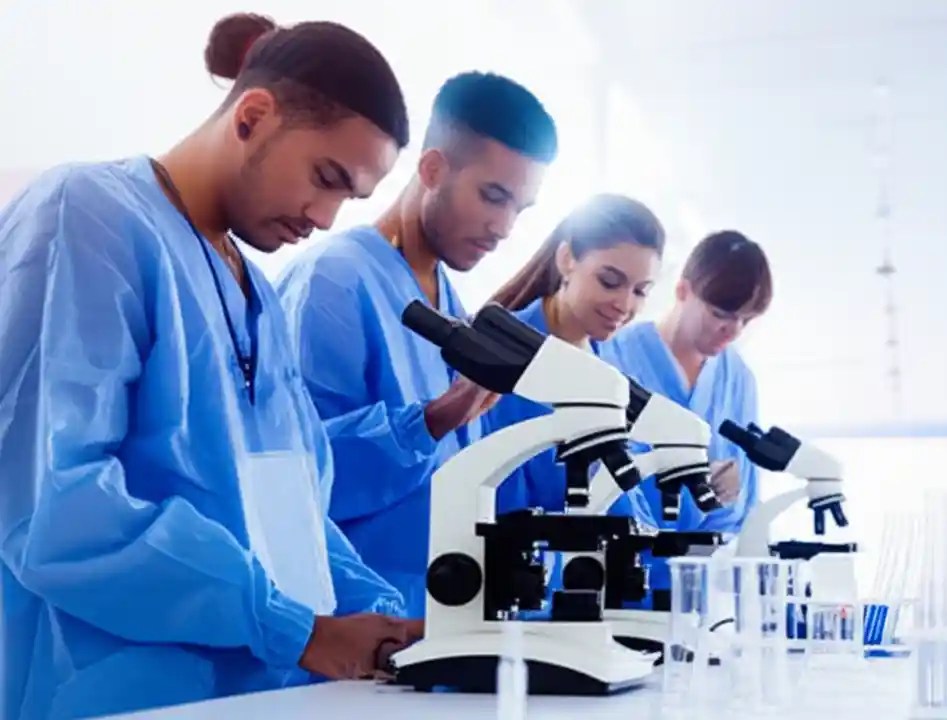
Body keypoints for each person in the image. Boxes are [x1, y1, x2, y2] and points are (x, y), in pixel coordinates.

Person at [0, 14, 420, 719]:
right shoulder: (91, 216)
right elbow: (55, 502)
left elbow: (295, 514)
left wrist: (385, 622)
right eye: (326, 178)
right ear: (253, 115)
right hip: (108, 693)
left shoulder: (253, 289)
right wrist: (294, 629)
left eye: (350, 198)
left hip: (254, 695)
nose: (326, 217)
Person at [275, 71, 558, 616]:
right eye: (492, 197)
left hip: (435, 619)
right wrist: (431, 419)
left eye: (519, 210)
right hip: (352, 626)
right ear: (432, 169)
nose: (503, 228)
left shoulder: (452, 304)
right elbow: (297, 476)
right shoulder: (335, 282)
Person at [485, 193, 666, 515]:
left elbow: (625, 490)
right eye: (609, 282)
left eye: (640, 291)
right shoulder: (501, 352)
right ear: (567, 259)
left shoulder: (614, 367)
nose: (624, 306)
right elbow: (499, 498)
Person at [602, 230, 773, 536]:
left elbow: (745, 508)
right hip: (622, 563)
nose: (732, 331)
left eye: (746, 320)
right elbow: (597, 478)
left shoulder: (738, 379)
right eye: (721, 314)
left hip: (706, 572)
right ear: (683, 291)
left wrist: (731, 492)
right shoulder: (615, 355)